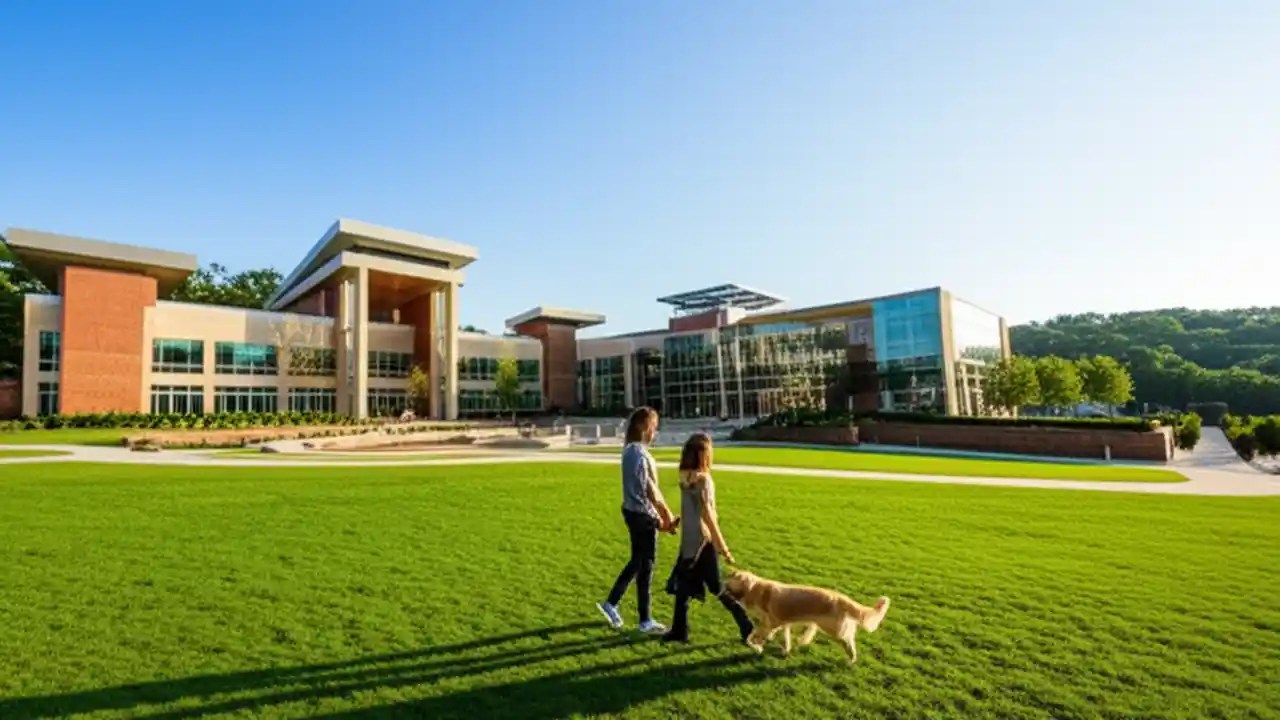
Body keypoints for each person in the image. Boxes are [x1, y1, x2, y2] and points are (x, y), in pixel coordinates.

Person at [661, 432, 753, 644]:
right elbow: (706, 514)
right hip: (698, 541)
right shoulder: (700, 480)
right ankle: (680, 630)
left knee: (710, 586)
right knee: (689, 587)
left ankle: (745, 625)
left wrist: (722, 547)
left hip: (698, 542)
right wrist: (723, 547)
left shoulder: (687, 478)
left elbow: (706, 515)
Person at [597, 406, 676, 634]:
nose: (654, 432)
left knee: (642, 564)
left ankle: (643, 618)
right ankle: (615, 604)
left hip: (635, 513)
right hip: (642, 516)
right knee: (642, 564)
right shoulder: (639, 454)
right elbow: (651, 492)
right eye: (653, 427)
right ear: (643, 427)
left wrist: (662, 520)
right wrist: (665, 517)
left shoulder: (629, 451)